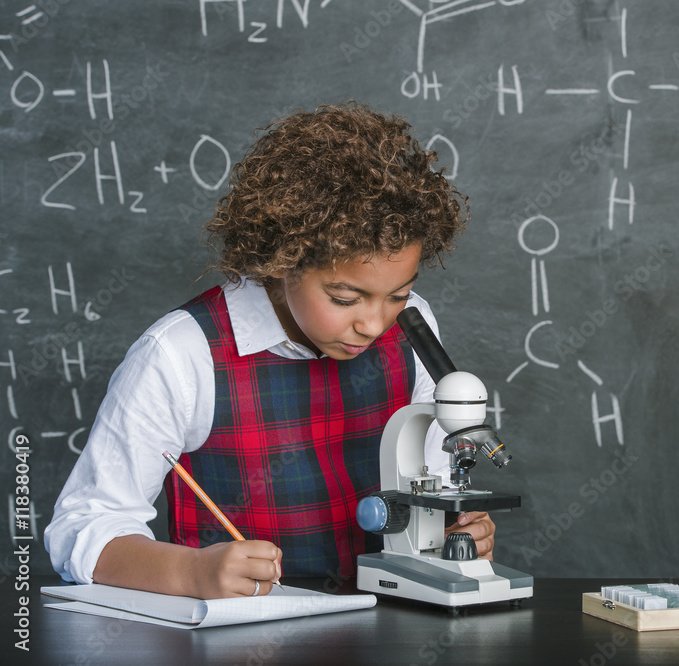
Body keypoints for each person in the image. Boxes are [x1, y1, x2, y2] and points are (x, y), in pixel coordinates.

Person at [44, 102, 496, 599]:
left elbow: (432, 483)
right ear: (282, 260)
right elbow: (80, 530)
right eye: (344, 298)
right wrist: (190, 573)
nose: (373, 324)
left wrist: (457, 533)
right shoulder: (181, 355)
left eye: (397, 294)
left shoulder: (413, 329)